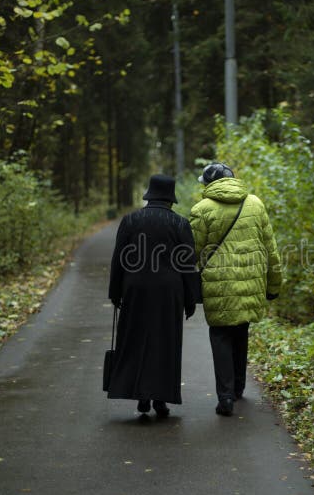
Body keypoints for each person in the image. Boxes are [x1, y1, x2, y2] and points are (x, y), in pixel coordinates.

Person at [190, 162, 282, 416]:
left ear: (209, 183)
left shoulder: (201, 209)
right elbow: (270, 249)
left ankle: (226, 397)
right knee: (241, 331)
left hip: (217, 284)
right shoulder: (255, 204)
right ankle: (239, 388)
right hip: (250, 283)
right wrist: (274, 284)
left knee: (220, 335)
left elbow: (190, 253)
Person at [107, 174, 198, 417]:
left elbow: (118, 259)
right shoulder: (180, 224)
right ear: (170, 199)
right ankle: (161, 399)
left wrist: (115, 293)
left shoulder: (131, 220)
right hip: (169, 292)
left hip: (135, 289)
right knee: (165, 343)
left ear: (149, 195)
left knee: (136, 340)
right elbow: (188, 264)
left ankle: (141, 395)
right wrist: (191, 299)